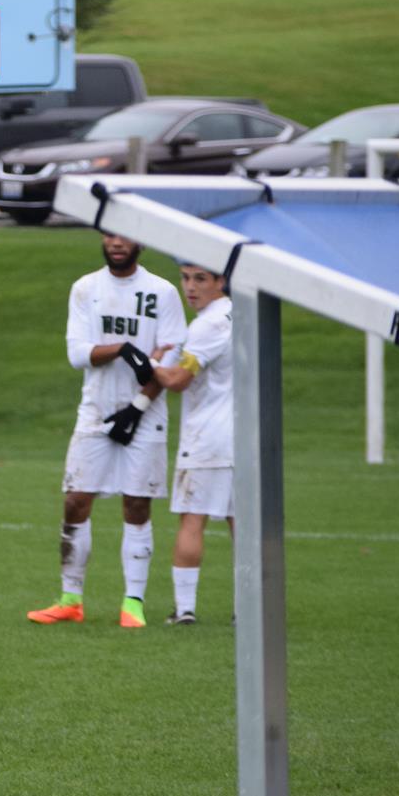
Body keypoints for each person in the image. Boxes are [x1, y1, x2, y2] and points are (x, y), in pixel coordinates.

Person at [28, 233, 187, 628]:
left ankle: (132, 603)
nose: (116, 243)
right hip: (95, 411)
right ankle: (70, 599)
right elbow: (78, 353)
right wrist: (122, 348)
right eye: (110, 235)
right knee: (75, 500)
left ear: (141, 241)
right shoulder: (86, 288)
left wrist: (137, 407)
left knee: (136, 504)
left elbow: (170, 356)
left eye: (125, 236)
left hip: (146, 414)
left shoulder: (162, 292)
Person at [155, 263, 234, 624]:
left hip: (208, 438)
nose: (190, 287)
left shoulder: (206, 325)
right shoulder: (241, 313)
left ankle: (184, 610)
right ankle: (249, 609)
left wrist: (145, 361)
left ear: (220, 281)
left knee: (192, 518)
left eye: (200, 278)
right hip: (245, 436)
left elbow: (178, 380)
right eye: (185, 278)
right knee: (243, 524)